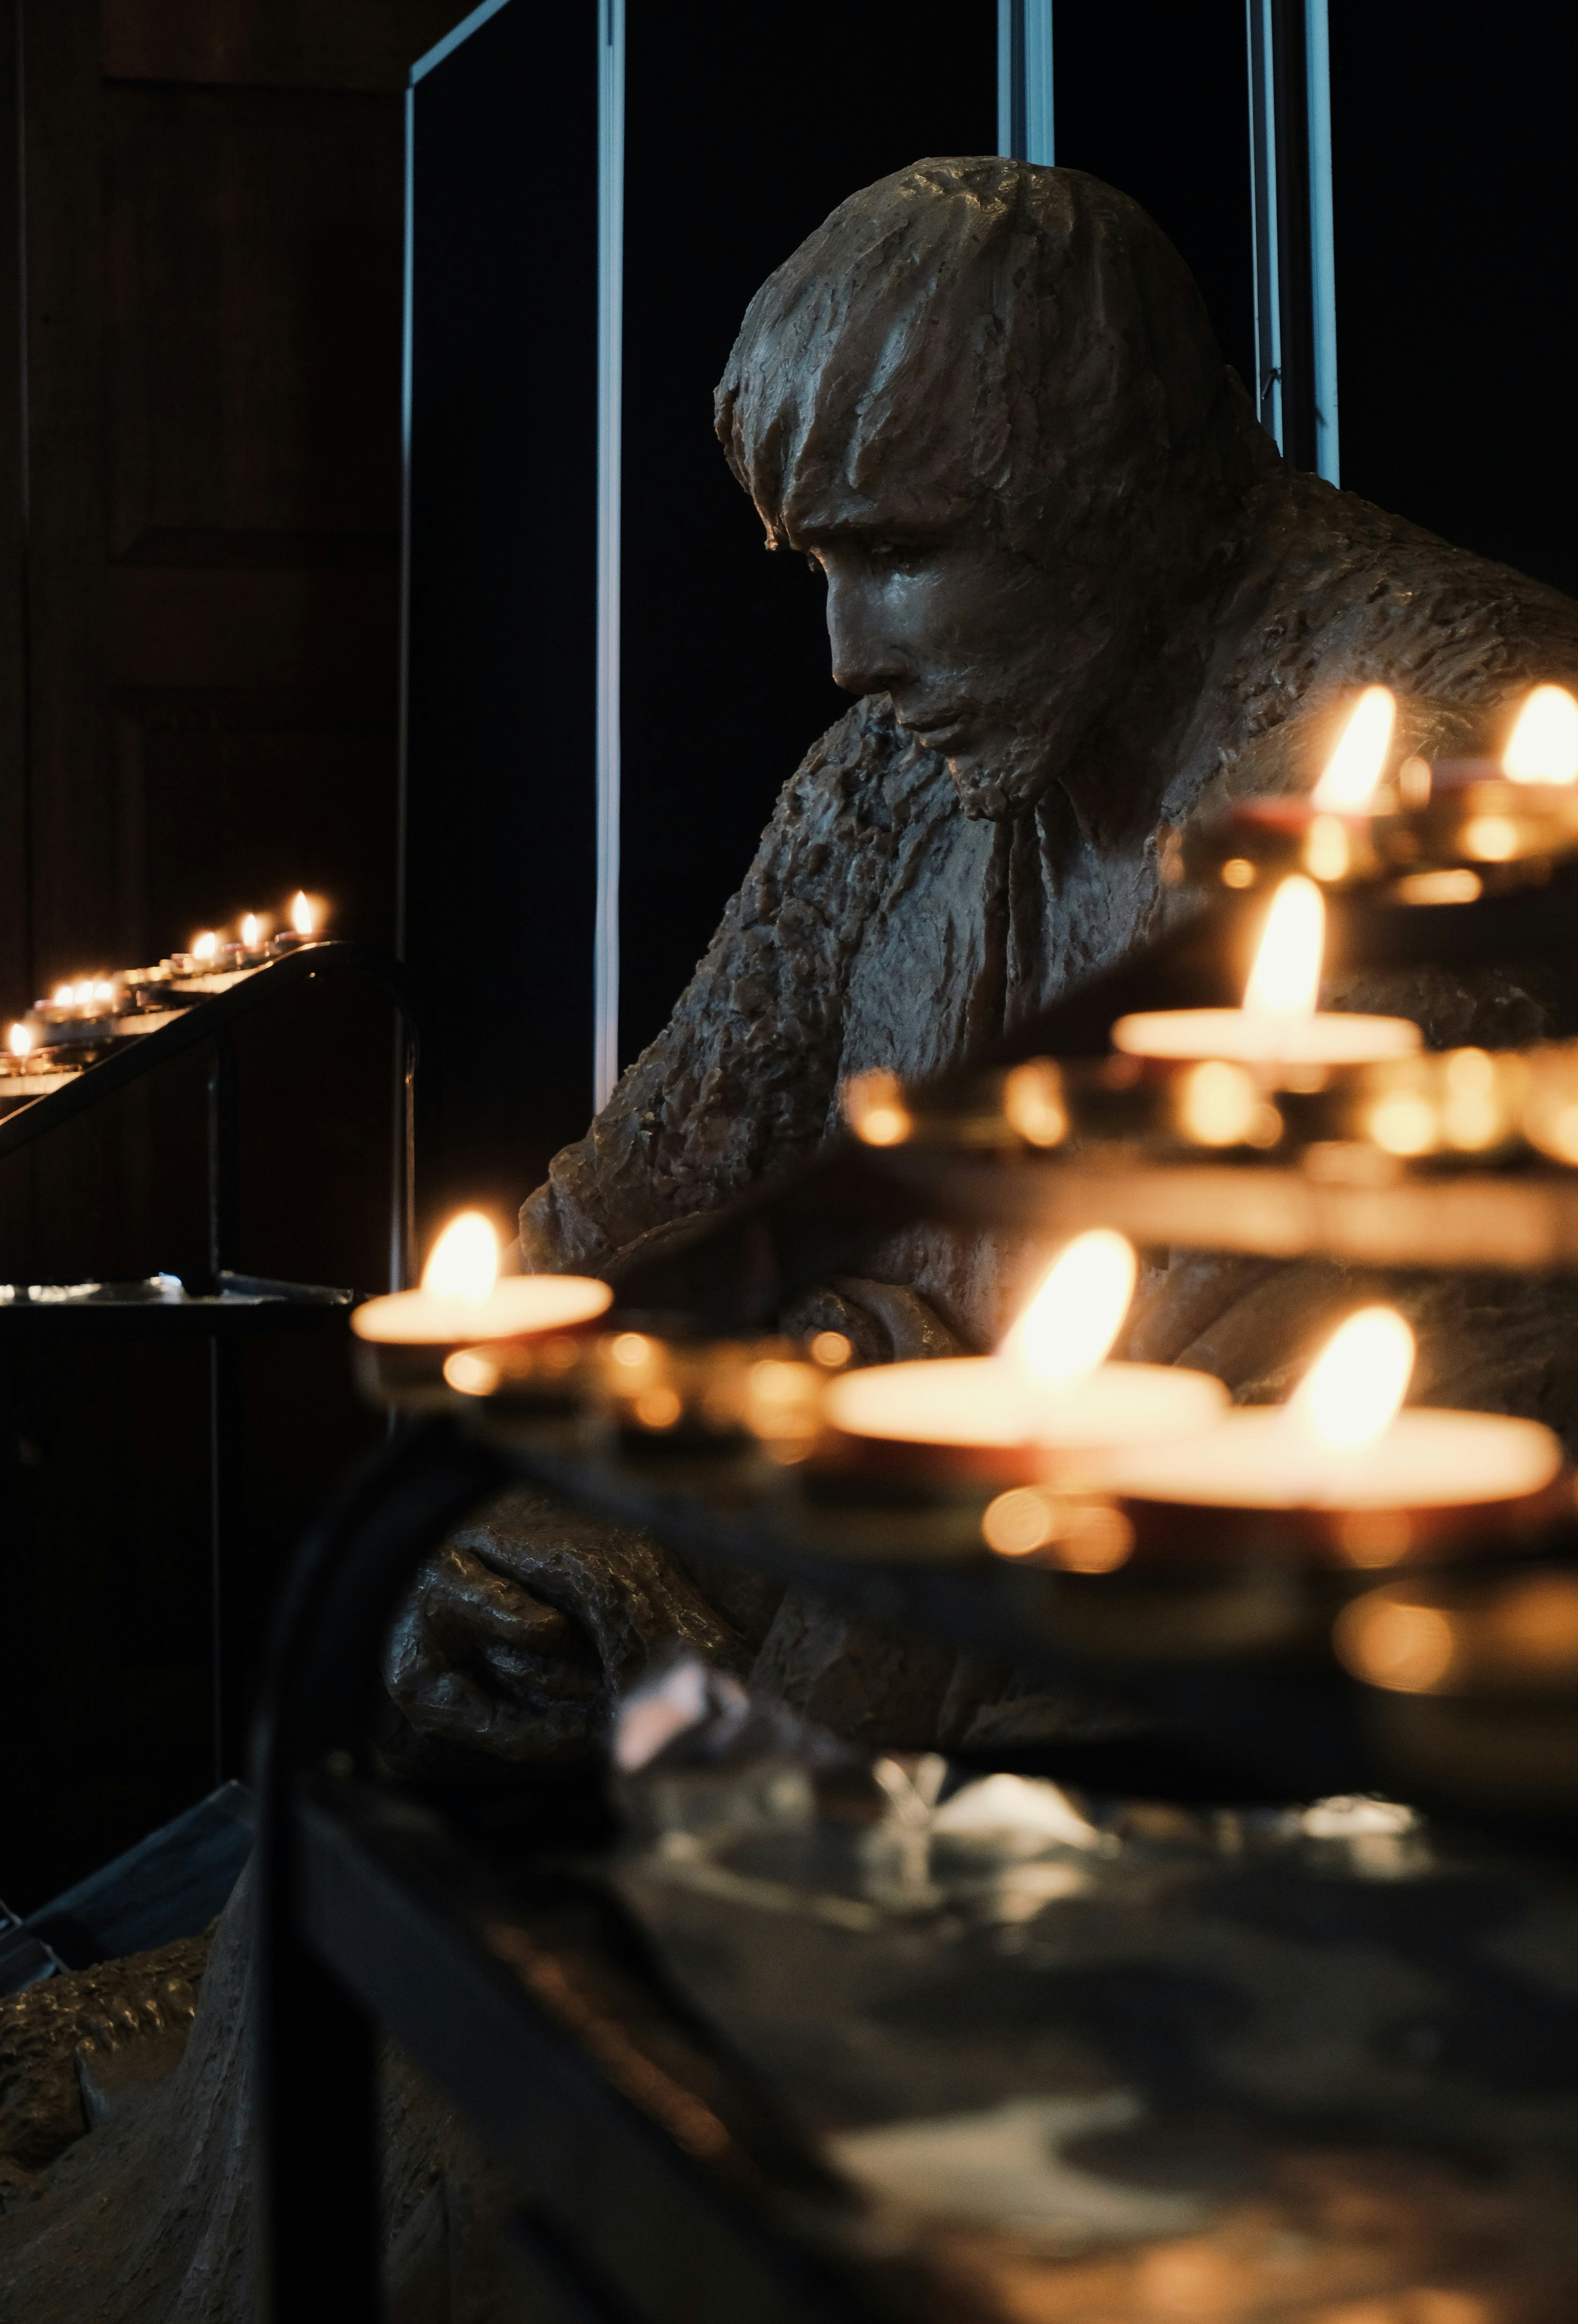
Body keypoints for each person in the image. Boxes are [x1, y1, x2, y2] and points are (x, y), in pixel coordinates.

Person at [384, 155, 1578, 1771]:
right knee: (467, 1617)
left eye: (898, 554)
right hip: (880, 1535)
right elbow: (642, 1195)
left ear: (1103, 489)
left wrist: (855, 1360)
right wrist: (513, 1481)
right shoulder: (887, 779)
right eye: (822, 569)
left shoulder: (1457, 744)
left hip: (1249, 1636)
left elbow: (1266, 1374)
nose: (850, 653)